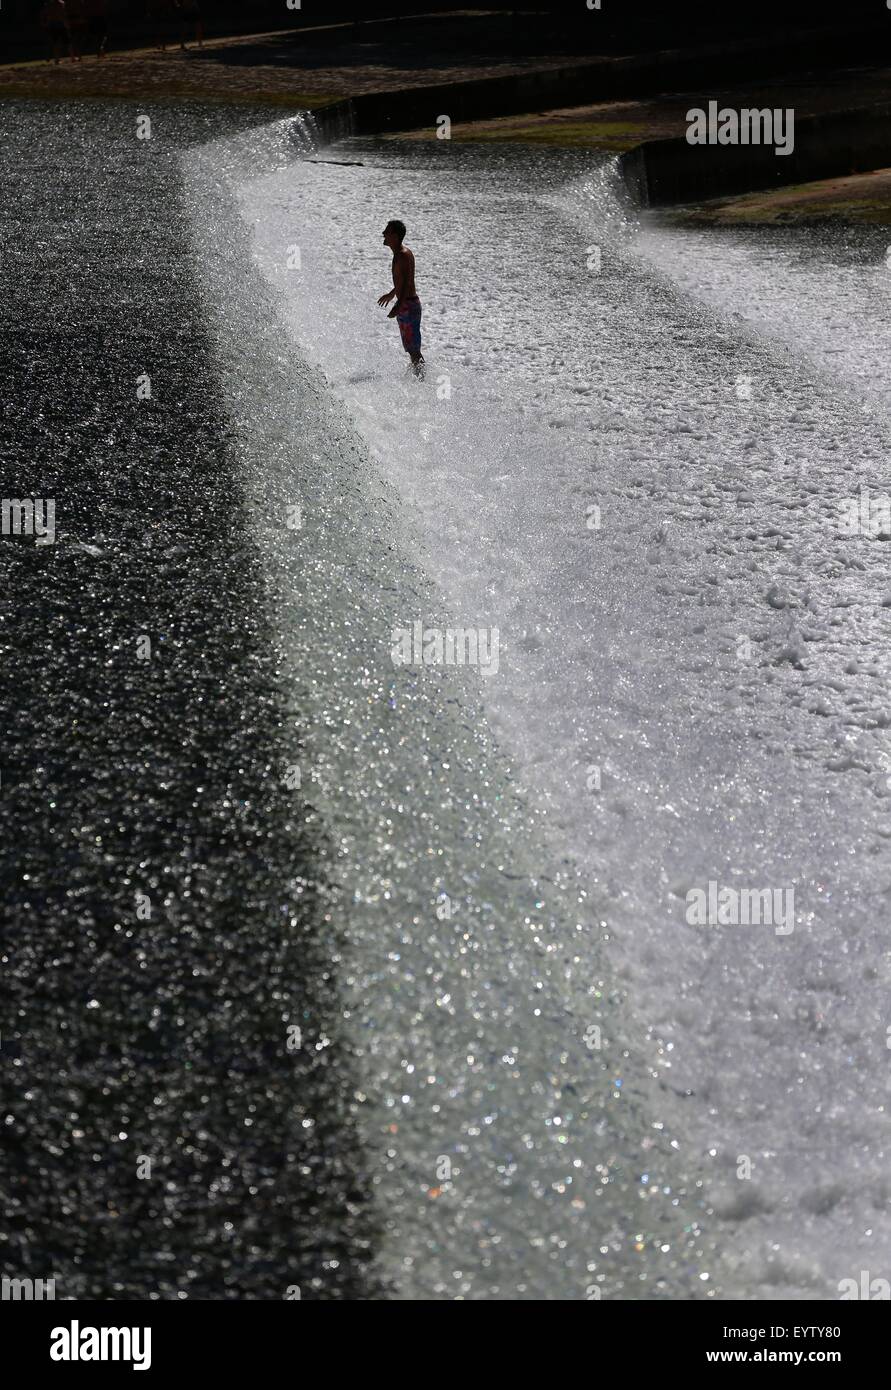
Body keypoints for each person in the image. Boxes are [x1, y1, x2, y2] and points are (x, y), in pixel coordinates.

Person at [377, 219, 425, 378]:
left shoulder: (403, 255)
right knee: (412, 350)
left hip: (408, 306)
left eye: (387, 232)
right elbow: (404, 281)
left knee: (414, 351)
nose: (383, 234)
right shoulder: (402, 253)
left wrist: (398, 304)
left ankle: (422, 381)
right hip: (409, 304)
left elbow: (407, 284)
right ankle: (418, 379)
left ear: (395, 236)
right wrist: (392, 295)